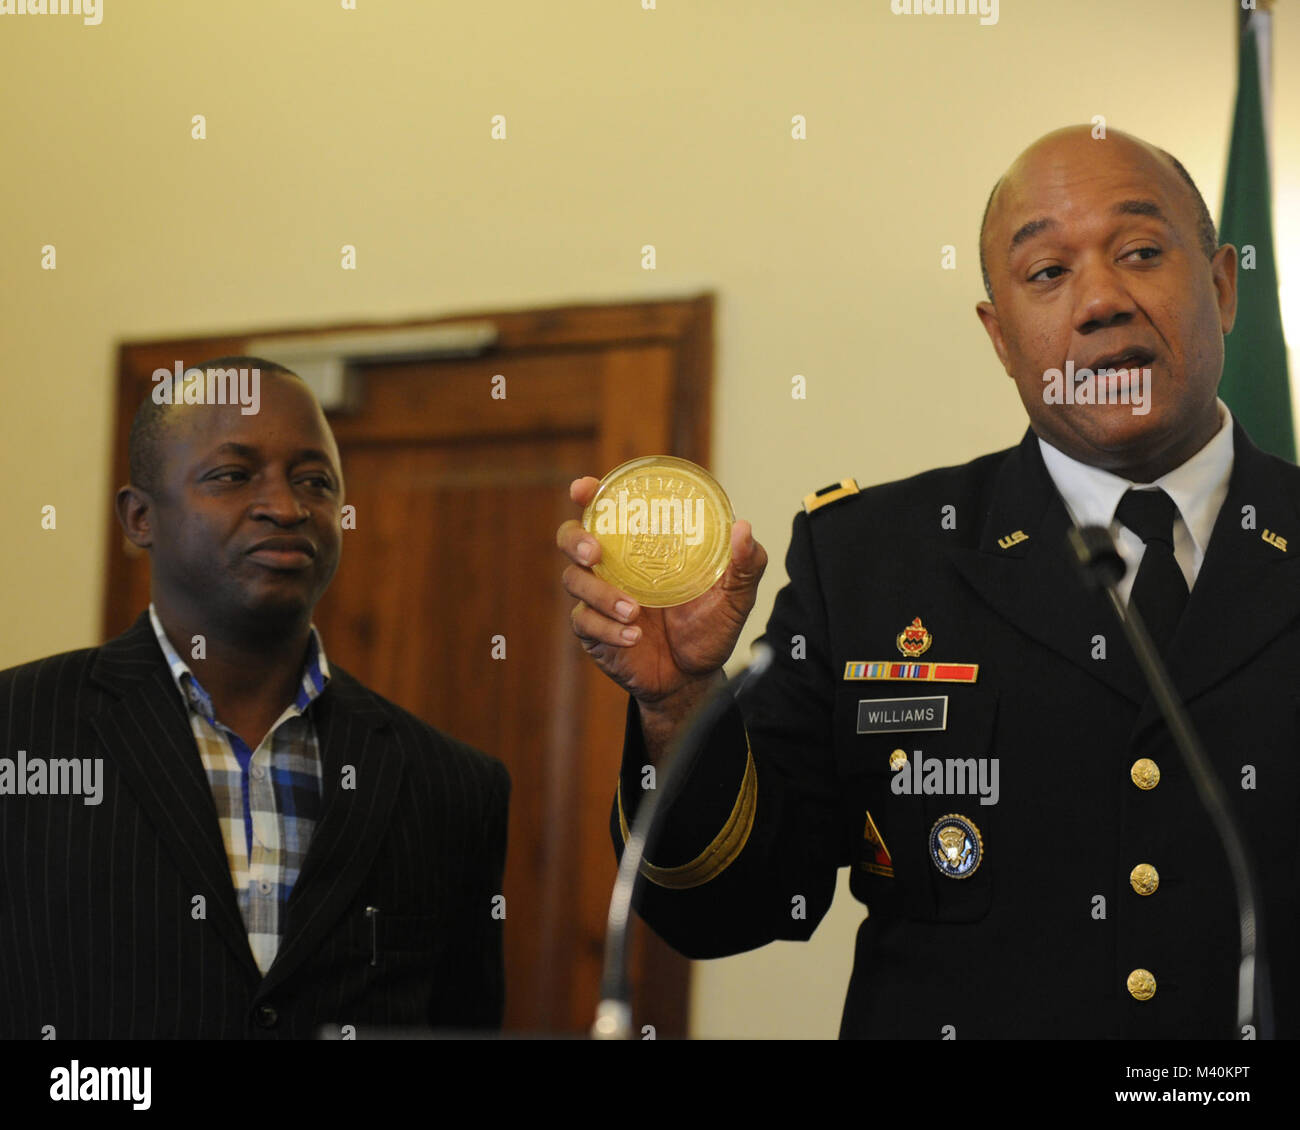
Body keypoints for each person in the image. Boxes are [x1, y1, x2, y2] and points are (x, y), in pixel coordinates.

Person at [556, 125, 1300, 1039]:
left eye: (1141, 252)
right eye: (1047, 273)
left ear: (1222, 286)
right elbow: (738, 910)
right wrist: (679, 706)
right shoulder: (871, 561)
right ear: (1000, 336)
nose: (1102, 299)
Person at [0, 357, 509, 1038]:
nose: (286, 506)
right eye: (234, 476)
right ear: (140, 517)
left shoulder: (452, 787)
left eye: (315, 482)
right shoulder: (19, 730)